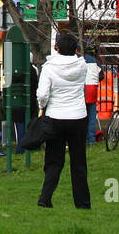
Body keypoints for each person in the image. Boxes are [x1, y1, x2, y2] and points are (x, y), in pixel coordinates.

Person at [35, 32, 91, 210]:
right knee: (79, 162)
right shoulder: (82, 66)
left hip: (56, 116)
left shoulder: (49, 68)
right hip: (78, 116)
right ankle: (82, 203)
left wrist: (42, 106)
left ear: (57, 48)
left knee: (54, 160)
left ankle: (45, 197)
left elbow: (43, 94)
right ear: (75, 49)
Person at [83, 41, 101, 144]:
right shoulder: (95, 61)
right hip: (92, 90)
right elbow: (101, 75)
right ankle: (91, 139)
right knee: (91, 116)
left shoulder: (79, 60)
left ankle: (82, 138)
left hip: (82, 90)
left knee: (82, 116)